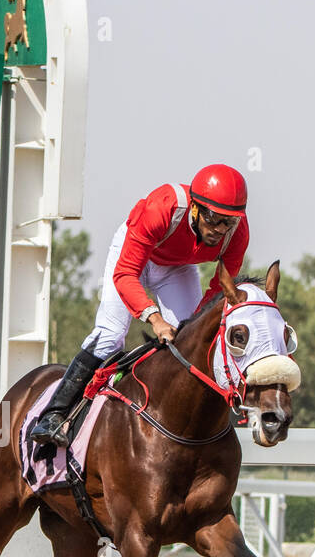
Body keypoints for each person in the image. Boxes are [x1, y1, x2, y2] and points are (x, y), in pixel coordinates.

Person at [30, 163, 250, 446]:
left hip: (176, 268)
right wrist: (155, 319)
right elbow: (125, 274)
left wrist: (195, 323)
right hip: (134, 258)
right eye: (213, 218)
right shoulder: (162, 207)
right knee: (111, 335)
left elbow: (221, 291)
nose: (219, 229)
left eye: (228, 222)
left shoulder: (238, 234)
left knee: (193, 341)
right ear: (194, 207)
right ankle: (54, 413)